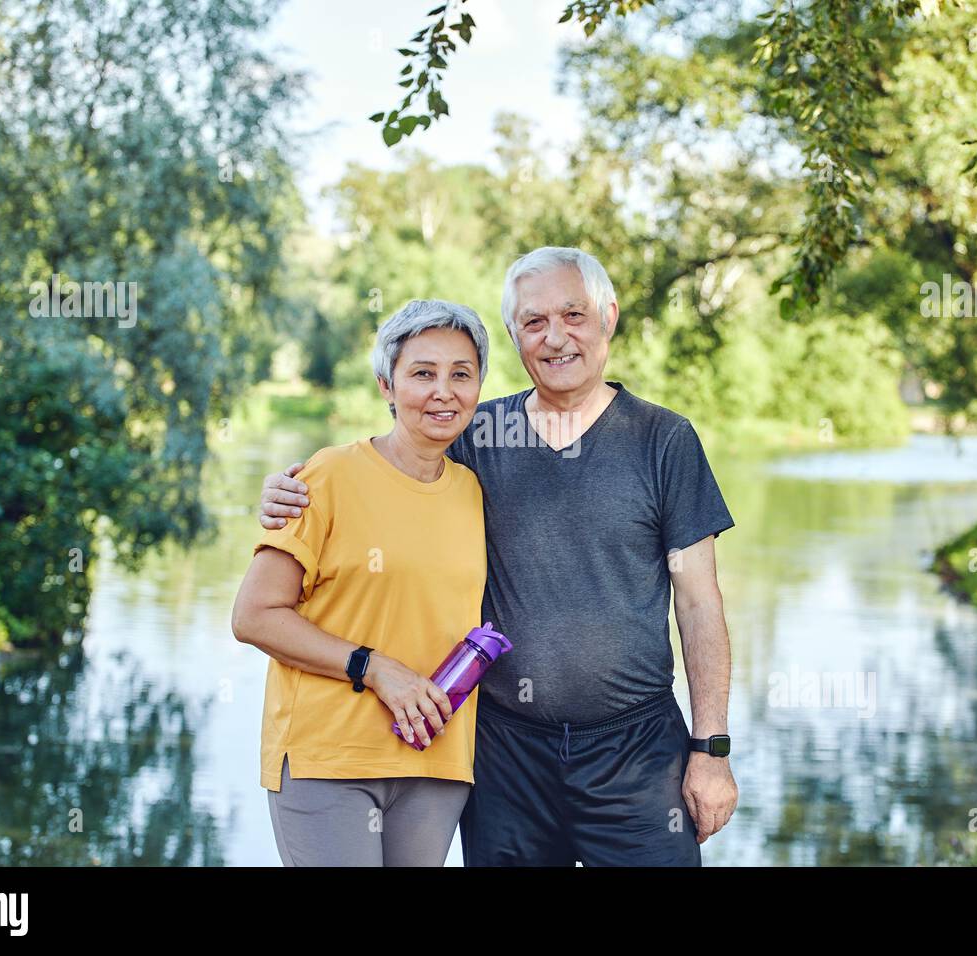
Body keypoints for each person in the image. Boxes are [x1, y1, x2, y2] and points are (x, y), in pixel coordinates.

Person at [261, 247, 738, 866]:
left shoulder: (664, 440)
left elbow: (699, 601)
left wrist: (712, 750)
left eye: (574, 314)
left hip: (638, 753)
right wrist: (287, 492)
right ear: (514, 336)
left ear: (608, 318)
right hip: (503, 753)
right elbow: (384, 468)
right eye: (534, 322)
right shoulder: (474, 436)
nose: (556, 337)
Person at [232, 299, 491, 866]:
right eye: (422, 373)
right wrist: (375, 669)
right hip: (330, 758)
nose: (443, 391)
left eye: (461, 374)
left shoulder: (476, 489)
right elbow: (254, 615)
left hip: (435, 761)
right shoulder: (327, 476)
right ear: (386, 385)